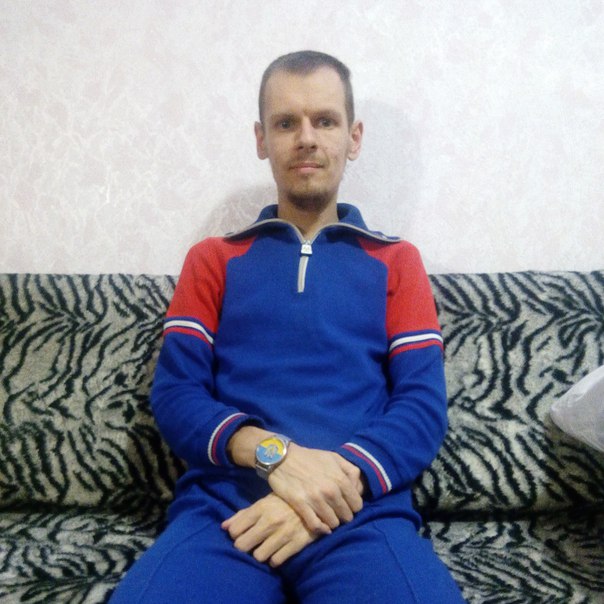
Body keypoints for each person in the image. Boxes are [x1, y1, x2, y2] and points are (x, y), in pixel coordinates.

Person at [110, 50, 465, 603]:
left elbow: (421, 406)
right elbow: (177, 394)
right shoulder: (212, 258)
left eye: (325, 120)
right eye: (285, 123)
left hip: (361, 510)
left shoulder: (397, 261)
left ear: (353, 137)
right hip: (226, 511)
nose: (306, 138)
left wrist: (326, 488)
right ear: (261, 139)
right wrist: (276, 456)